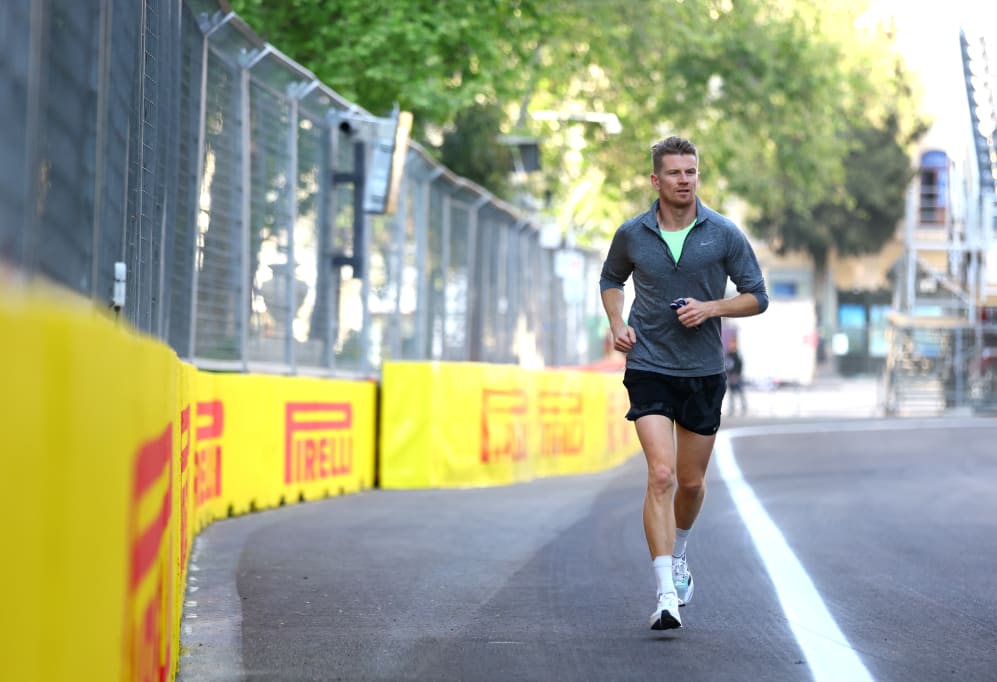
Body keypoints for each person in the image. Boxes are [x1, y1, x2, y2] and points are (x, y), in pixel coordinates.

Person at [599, 136, 768, 630]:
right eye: (674, 173)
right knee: (661, 475)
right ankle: (665, 593)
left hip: (702, 372)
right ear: (656, 180)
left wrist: (711, 307)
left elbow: (757, 296)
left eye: (690, 171)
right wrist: (616, 323)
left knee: (691, 483)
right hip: (649, 364)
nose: (684, 180)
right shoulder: (632, 233)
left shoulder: (722, 233)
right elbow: (611, 279)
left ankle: (681, 555)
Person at [725, 337, 747, 416]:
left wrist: (737, 375)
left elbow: (740, 365)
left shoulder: (738, 353)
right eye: (731, 343)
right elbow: (727, 365)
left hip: (737, 376)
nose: (732, 345)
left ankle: (744, 408)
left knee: (741, 392)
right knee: (731, 394)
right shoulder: (728, 354)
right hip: (730, 376)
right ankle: (731, 409)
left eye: (734, 343)